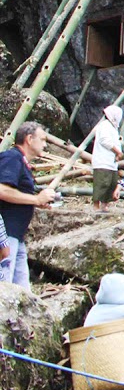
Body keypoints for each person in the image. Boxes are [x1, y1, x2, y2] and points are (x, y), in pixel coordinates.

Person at [0, 123, 56, 287]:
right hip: (5, 235)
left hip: (17, 235)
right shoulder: (12, 158)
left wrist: (38, 201)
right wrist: (35, 199)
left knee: (21, 292)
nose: (45, 145)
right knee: (4, 288)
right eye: (43, 140)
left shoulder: (21, 162)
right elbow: (2, 189)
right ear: (30, 139)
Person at [89, 106, 124, 213]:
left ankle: (104, 205)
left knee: (111, 183)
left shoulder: (113, 128)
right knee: (101, 183)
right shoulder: (104, 126)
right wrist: (118, 152)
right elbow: (105, 141)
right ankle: (96, 205)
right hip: (102, 161)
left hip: (111, 162)